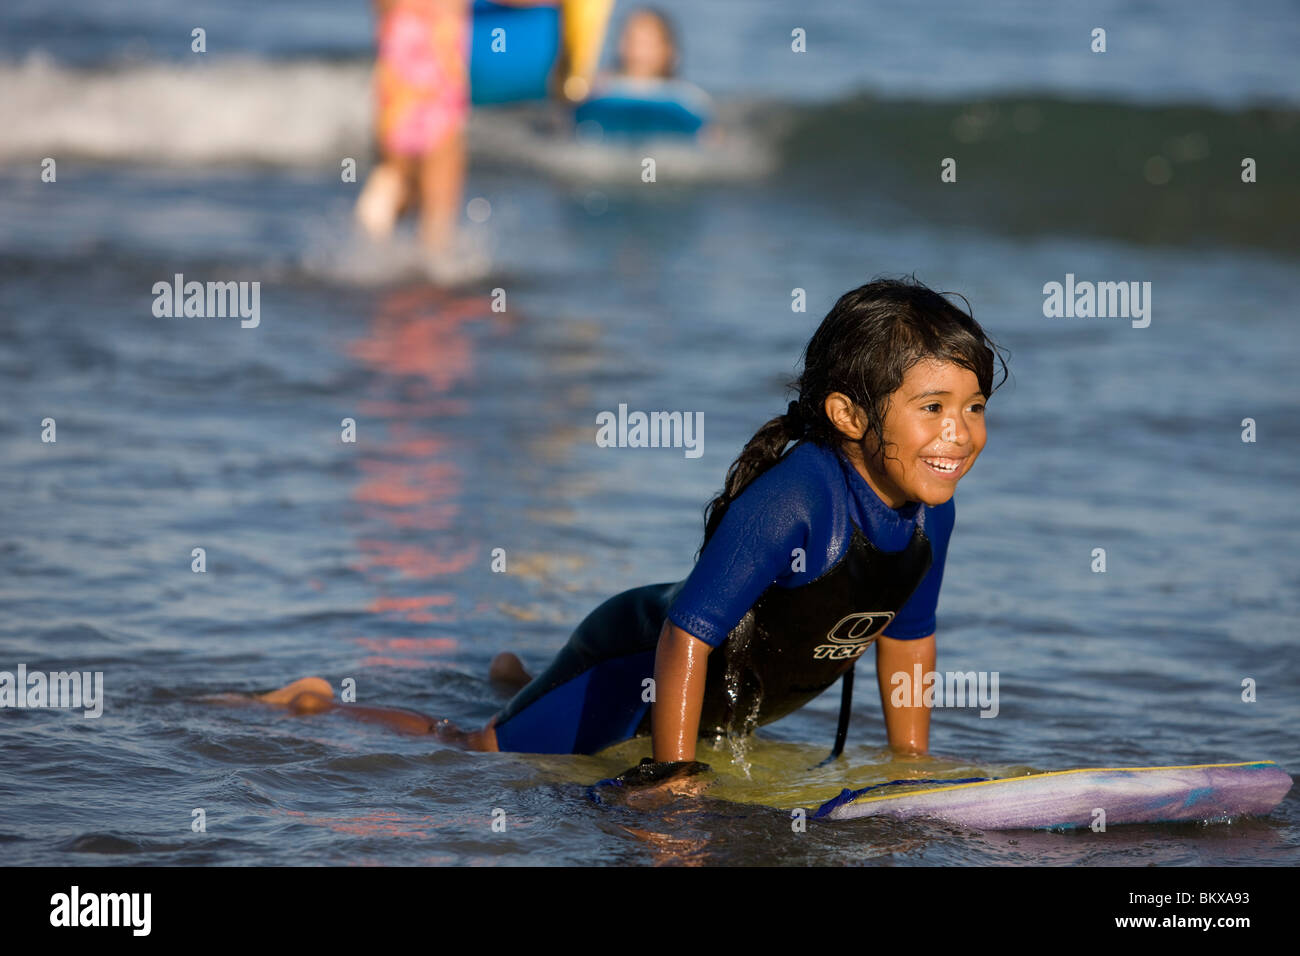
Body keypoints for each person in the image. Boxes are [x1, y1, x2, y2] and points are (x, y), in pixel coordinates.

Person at [259, 277, 1006, 784]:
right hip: (635, 657)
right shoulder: (799, 499)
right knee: (477, 749)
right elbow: (686, 637)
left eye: (973, 407)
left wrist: (913, 771)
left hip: (710, 691)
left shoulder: (928, 508)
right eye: (933, 407)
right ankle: (314, 703)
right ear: (849, 415)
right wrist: (670, 782)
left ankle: (522, 677)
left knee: (552, 708)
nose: (960, 435)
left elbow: (908, 637)